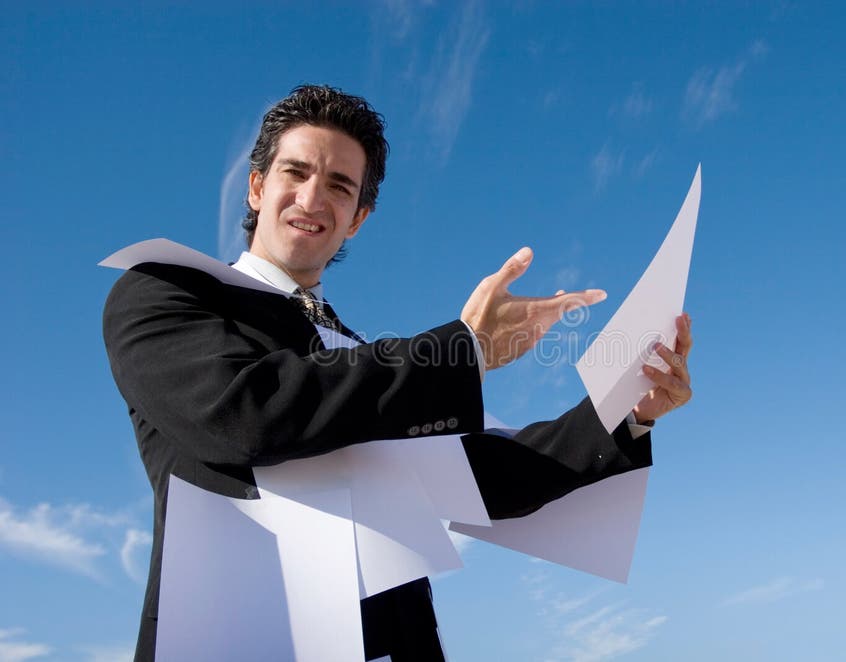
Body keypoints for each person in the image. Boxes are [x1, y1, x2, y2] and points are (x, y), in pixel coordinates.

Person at [103, 84, 693, 661]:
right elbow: (244, 414)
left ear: (356, 218)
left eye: (339, 186)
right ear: (257, 187)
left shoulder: (357, 357)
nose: (313, 199)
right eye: (296, 172)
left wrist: (628, 410)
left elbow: (483, 472)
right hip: (234, 640)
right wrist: (466, 349)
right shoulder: (165, 292)